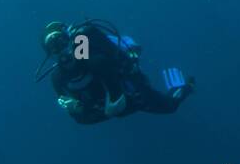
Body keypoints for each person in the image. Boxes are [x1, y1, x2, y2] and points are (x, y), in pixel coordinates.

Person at [36, 19, 194, 125]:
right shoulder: (57, 78)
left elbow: (99, 63)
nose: (61, 50)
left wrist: (113, 103)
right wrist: (78, 108)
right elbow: (81, 119)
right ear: (49, 55)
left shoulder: (82, 52)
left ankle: (187, 86)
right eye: (53, 47)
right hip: (114, 108)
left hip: (134, 94)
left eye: (62, 42)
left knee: (171, 106)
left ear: (70, 41)